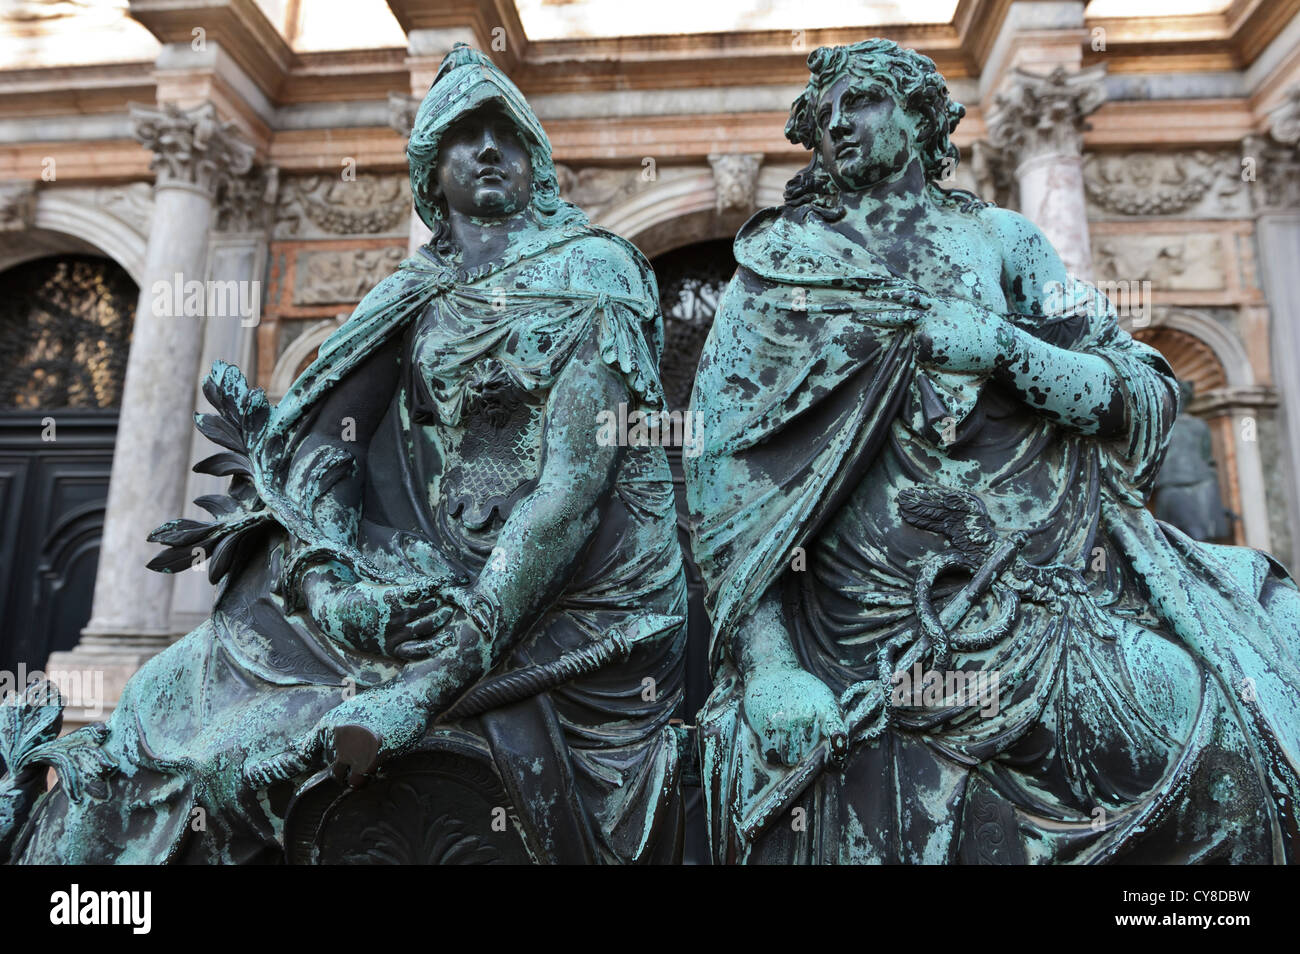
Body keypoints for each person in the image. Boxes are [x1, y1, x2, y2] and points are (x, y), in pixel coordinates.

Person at [1, 44, 687, 864]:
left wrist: (434, 678)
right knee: (159, 699)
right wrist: (330, 588)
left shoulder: (594, 272)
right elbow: (323, 456)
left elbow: (571, 492)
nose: (491, 149)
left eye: (508, 130)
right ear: (431, 172)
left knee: (244, 751)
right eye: (465, 136)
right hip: (422, 577)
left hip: (563, 603)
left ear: (537, 157)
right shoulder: (415, 291)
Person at [687, 38, 1300, 864]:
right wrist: (767, 667)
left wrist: (1010, 352)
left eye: (862, 98)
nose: (836, 120)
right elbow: (726, 487)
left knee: (1224, 745)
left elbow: (1144, 390)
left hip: (1038, 602)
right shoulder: (776, 273)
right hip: (857, 629)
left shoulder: (1004, 242)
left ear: (923, 116)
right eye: (820, 111)